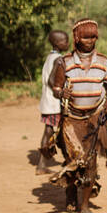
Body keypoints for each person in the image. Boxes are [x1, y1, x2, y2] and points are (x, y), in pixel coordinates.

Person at [48, 19, 107, 213]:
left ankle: (84, 205)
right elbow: (55, 87)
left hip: (94, 120)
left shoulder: (104, 62)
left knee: (90, 162)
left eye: (93, 36)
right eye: (85, 36)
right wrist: (62, 93)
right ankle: (70, 192)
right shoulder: (64, 62)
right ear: (77, 37)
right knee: (74, 160)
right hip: (71, 120)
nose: (90, 40)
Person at [37, 29, 67, 174]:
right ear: (57, 43)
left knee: (54, 131)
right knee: (49, 132)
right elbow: (51, 80)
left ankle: (66, 159)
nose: (67, 43)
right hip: (53, 102)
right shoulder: (58, 59)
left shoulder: (51, 57)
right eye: (64, 41)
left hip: (48, 101)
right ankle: (41, 165)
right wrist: (60, 92)